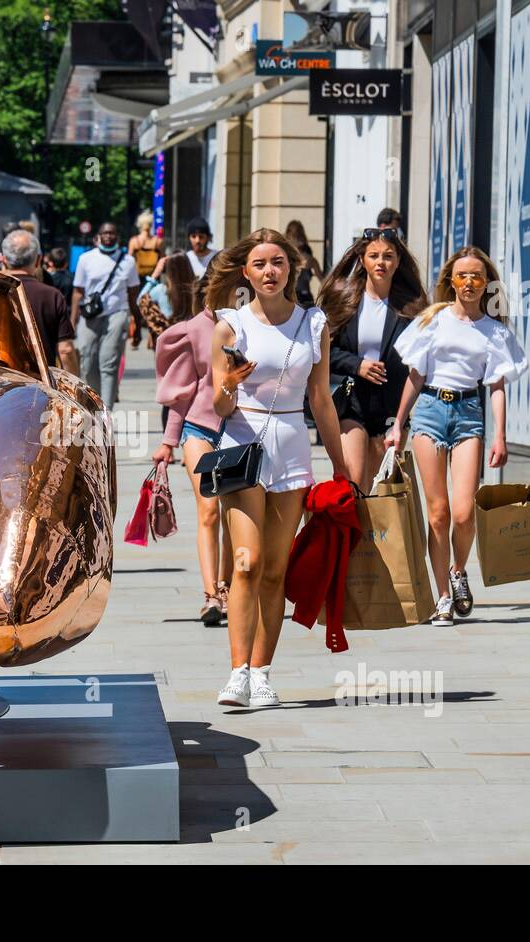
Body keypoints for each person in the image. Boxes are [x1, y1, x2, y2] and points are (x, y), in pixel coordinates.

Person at [209, 228, 348, 707]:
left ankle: (262, 672)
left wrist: (342, 467)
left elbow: (321, 400)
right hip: (242, 443)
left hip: (291, 445)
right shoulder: (231, 326)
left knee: (274, 568)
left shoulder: (313, 323)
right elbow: (219, 406)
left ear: (292, 268)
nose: (270, 271)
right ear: (245, 273)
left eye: (278, 263)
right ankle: (237, 673)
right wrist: (229, 381)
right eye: (260, 264)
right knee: (245, 562)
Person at [385, 247, 528, 626]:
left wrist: (500, 435)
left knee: (463, 514)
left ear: (486, 283)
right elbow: (415, 376)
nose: (469, 282)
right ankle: (443, 598)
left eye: (476, 276)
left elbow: (496, 386)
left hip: (468, 415)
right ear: (451, 280)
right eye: (462, 275)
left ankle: (458, 570)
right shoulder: (433, 320)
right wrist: (398, 424)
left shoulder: (494, 331)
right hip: (430, 411)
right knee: (439, 513)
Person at [153, 261, 233, 625]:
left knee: (232, 512)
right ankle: (211, 594)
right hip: (198, 428)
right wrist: (168, 443)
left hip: (238, 431)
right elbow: (183, 393)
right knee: (210, 509)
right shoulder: (193, 329)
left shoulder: (250, 325)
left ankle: (227, 586)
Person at [320, 227, 429, 486]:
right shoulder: (345, 299)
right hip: (352, 401)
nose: (381, 262)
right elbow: (324, 352)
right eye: (374, 256)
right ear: (362, 260)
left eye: (388, 256)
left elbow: (422, 360)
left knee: (380, 488)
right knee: (355, 481)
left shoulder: (411, 306)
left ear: (398, 261)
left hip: (390, 405)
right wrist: (357, 365)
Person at [0, 229, 78, 375]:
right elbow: (66, 350)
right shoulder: (53, 296)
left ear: (3, 260)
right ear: (38, 260)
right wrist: (73, 385)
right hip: (38, 385)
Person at [71, 222, 142, 409]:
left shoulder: (128, 262)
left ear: (117, 236)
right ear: (99, 236)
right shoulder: (86, 259)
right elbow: (78, 292)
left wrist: (137, 322)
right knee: (87, 363)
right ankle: (93, 407)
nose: (108, 236)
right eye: (105, 233)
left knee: (108, 364)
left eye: (112, 233)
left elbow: (133, 294)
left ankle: (106, 412)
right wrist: (73, 320)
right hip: (90, 316)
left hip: (116, 314)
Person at [137, 252, 194, 344]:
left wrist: (155, 274)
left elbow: (140, 301)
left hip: (167, 342)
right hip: (190, 341)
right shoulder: (196, 290)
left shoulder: (161, 290)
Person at [284, 219, 326, 307]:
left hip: (303, 299)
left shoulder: (308, 257)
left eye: (299, 235)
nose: (298, 238)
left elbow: (323, 281)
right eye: (295, 235)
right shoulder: (284, 256)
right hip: (291, 299)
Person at [128, 211, 163, 282]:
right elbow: (162, 260)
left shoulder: (134, 241)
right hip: (154, 277)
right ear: (151, 224)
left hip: (137, 277)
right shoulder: (158, 241)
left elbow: (129, 260)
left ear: (139, 225)